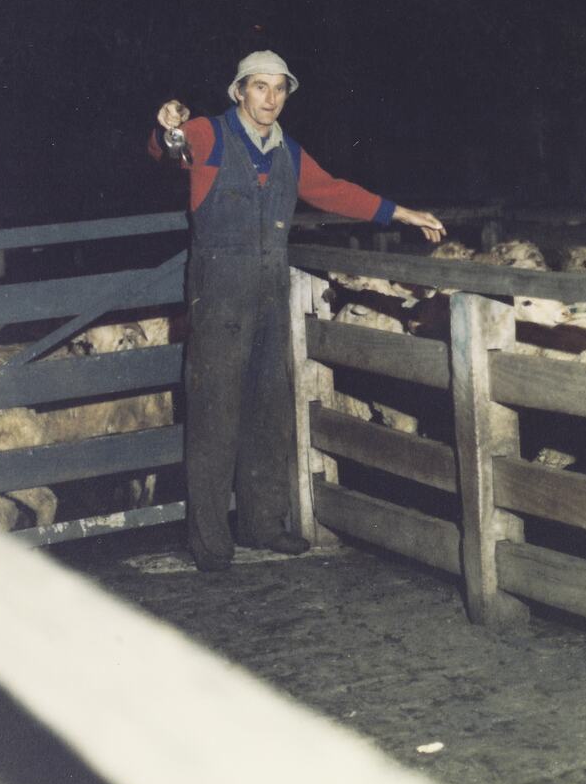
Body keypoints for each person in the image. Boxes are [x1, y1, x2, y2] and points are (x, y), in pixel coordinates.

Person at [150, 50, 445, 572]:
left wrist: (401, 212)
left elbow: (333, 191)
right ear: (238, 91)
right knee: (214, 414)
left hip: (270, 294)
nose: (270, 98)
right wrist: (167, 126)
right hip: (218, 294)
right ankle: (211, 542)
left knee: (267, 409)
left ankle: (263, 525)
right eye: (259, 87)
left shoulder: (287, 151)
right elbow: (169, 148)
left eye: (279, 88)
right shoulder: (210, 135)